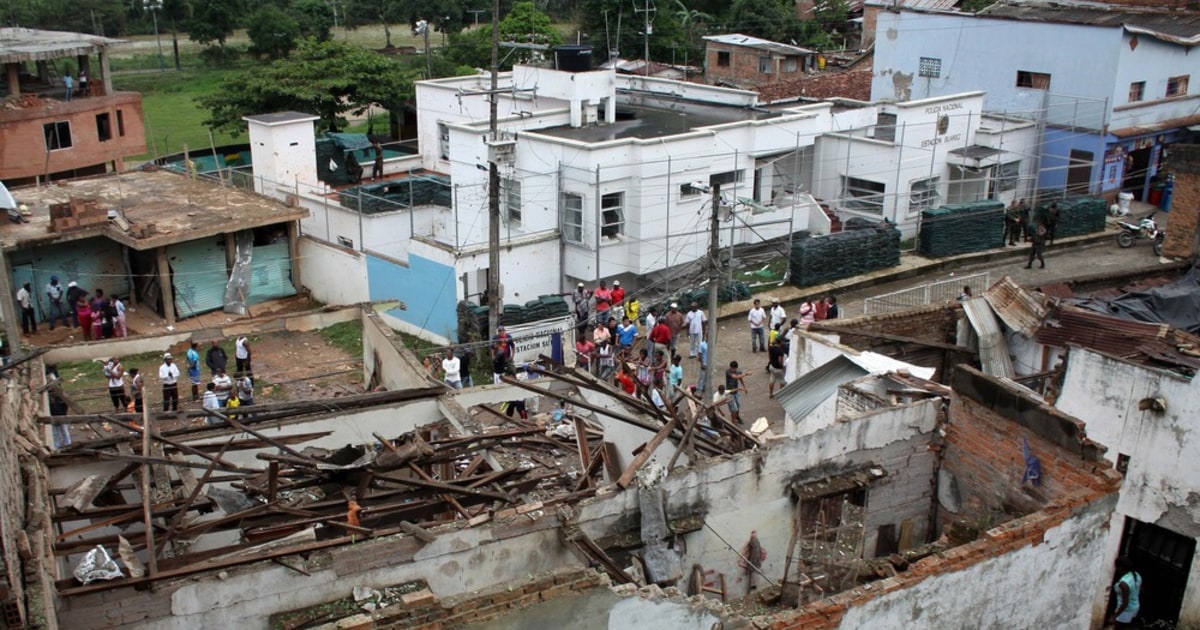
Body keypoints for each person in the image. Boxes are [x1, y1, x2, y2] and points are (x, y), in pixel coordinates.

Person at [1109, 557, 1141, 628]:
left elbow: (1125, 602)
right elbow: (1141, 590)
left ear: (1121, 568)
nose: (1116, 569)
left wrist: (1114, 616)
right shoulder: (1137, 575)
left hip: (1125, 611)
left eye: (1117, 567)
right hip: (1135, 607)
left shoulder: (1123, 583)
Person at [725, 360, 748, 424]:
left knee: (738, 405)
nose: (734, 370)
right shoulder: (728, 372)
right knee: (733, 408)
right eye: (733, 369)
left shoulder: (737, 371)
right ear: (730, 367)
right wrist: (745, 374)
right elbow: (735, 377)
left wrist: (744, 387)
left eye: (735, 369)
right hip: (730, 393)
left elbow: (740, 378)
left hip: (736, 392)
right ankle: (733, 420)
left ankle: (737, 417)